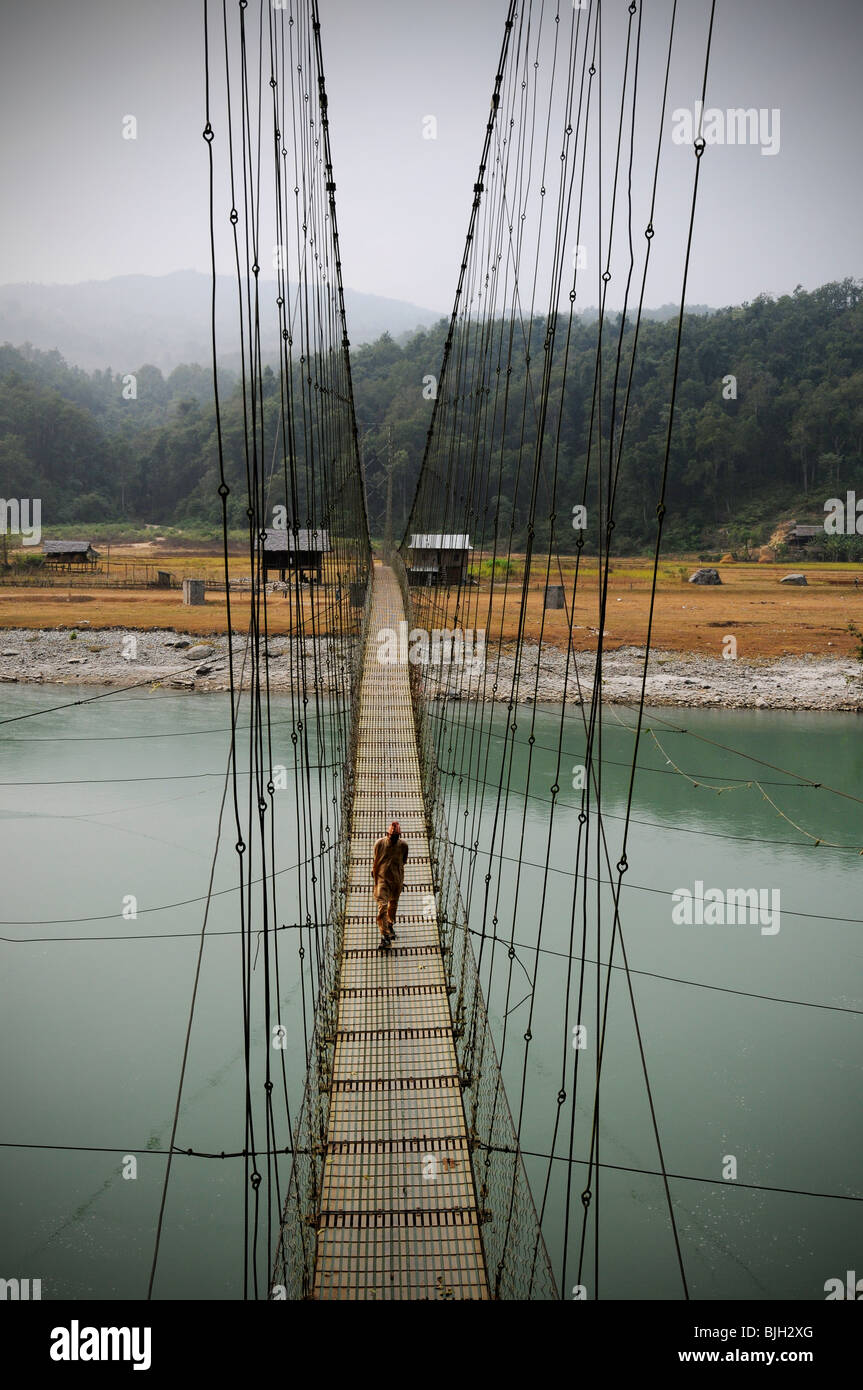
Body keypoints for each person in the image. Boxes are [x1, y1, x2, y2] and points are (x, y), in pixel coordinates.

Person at [372, 819, 409, 950]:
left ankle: (390, 924)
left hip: (396, 880)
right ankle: (385, 936)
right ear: (387, 834)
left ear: (399, 836)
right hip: (382, 880)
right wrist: (375, 874)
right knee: (382, 906)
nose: (393, 838)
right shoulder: (379, 844)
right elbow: (376, 860)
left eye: (396, 836)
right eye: (392, 836)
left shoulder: (403, 846)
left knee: (393, 904)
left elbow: (403, 862)